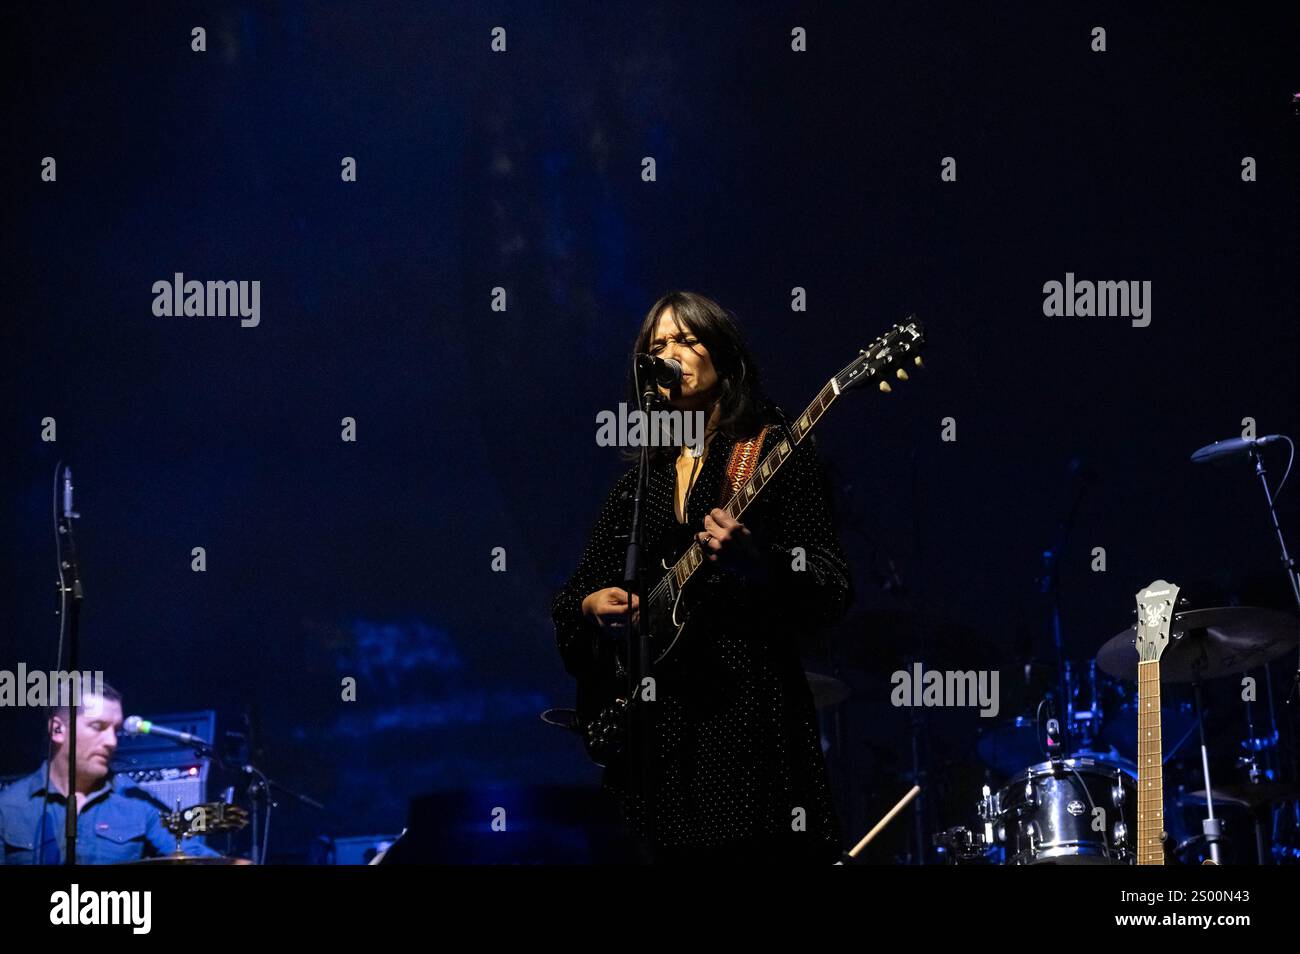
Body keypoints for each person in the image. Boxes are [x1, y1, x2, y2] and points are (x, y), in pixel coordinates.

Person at [552, 290, 853, 864]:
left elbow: (832, 585)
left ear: (722, 355)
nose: (671, 353)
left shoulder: (775, 450)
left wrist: (759, 563)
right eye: (657, 345)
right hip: (656, 755)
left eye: (686, 340)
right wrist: (593, 606)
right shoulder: (637, 486)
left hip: (750, 737)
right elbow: (572, 598)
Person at [0, 682, 220, 864]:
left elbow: (197, 856)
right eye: (98, 727)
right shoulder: (8, 806)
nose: (112, 742)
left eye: (115, 731)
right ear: (58, 730)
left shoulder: (138, 805)